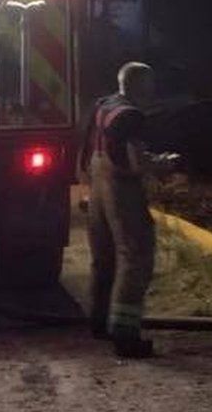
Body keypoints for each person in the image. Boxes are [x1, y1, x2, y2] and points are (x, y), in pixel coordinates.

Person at [79, 61, 158, 358]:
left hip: (98, 188)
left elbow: (85, 153)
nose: (154, 90)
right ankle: (125, 335)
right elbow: (135, 163)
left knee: (104, 257)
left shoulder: (102, 106)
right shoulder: (131, 116)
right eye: (150, 84)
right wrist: (162, 163)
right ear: (140, 86)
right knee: (134, 257)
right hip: (122, 191)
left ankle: (99, 323)